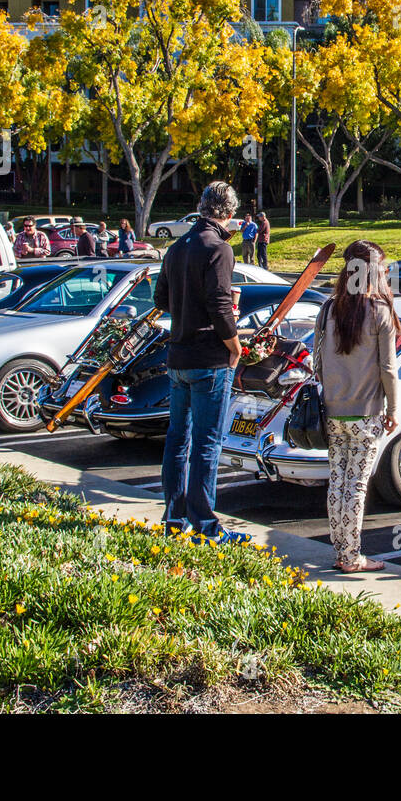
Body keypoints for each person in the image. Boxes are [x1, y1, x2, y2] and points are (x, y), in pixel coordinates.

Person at [155, 181, 247, 542]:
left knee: (177, 440)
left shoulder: (178, 247)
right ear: (228, 213)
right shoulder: (219, 249)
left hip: (178, 355)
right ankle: (207, 527)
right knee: (207, 442)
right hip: (209, 358)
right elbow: (221, 307)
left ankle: (174, 520)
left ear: (201, 207)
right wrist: (235, 345)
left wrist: (186, 307)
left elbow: (161, 299)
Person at [313, 240, 400, 572]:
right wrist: (392, 409)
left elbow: (318, 363)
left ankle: (341, 551)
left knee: (337, 480)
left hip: (333, 410)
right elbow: (388, 369)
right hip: (367, 414)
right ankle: (351, 557)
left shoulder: (328, 308)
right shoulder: (380, 312)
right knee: (357, 484)